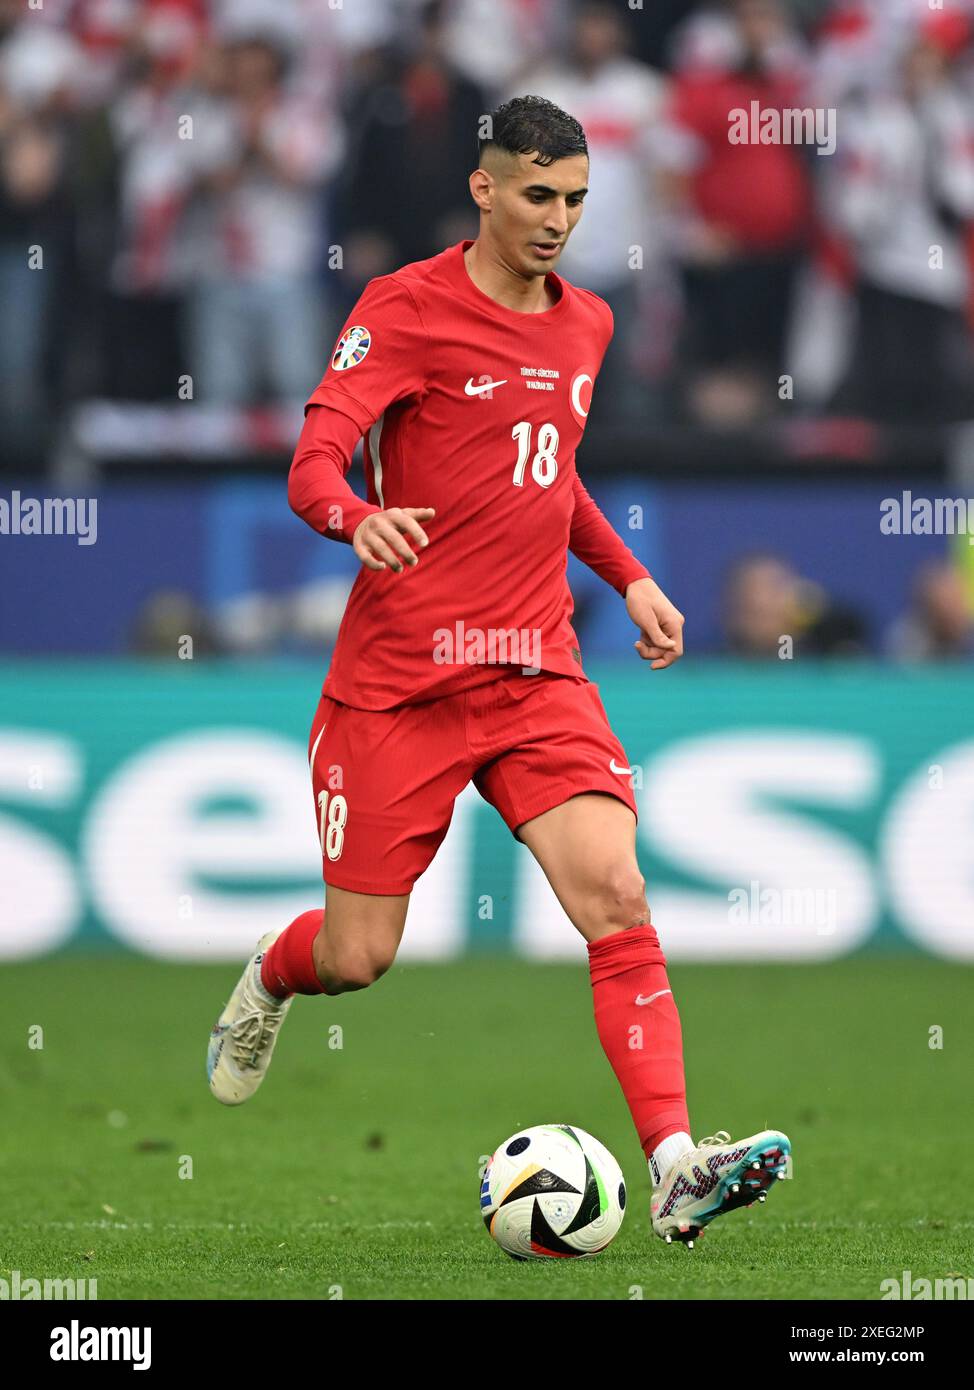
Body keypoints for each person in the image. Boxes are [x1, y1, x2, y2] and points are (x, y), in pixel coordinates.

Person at [205, 95, 791, 1248]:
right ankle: (272, 980)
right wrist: (350, 517)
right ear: (483, 189)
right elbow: (314, 452)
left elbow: (551, 474)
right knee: (356, 955)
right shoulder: (405, 307)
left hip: (531, 667)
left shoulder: (587, 326)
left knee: (615, 895)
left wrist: (627, 578)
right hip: (398, 684)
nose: (556, 220)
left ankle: (674, 1164)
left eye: (573, 200)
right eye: (536, 196)